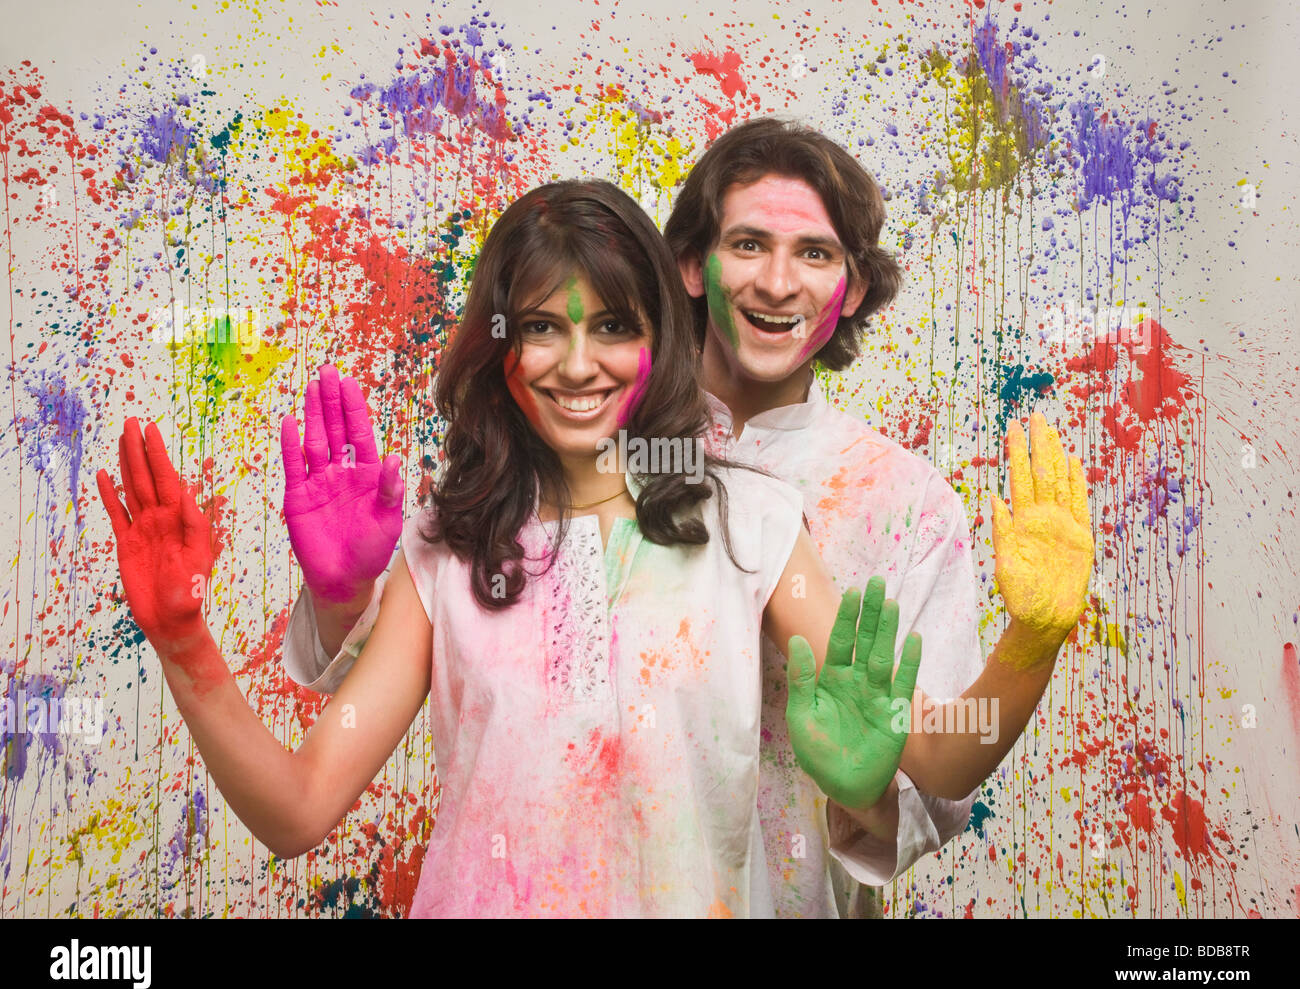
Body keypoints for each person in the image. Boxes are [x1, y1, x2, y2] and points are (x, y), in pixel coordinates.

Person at [286, 118, 1095, 918]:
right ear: (689, 267)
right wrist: (339, 595)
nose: (778, 283)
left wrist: (1028, 645)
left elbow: (938, 767)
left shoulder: (905, 503)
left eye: (815, 254)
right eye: (747, 244)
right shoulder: (586, 432)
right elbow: (440, 649)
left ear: (850, 286)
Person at [96, 179, 925, 917]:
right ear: (500, 348)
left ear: (659, 340)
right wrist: (183, 643)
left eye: (611, 326)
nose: (576, 364)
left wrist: (870, 792)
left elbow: (875, 776)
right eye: (538, 327)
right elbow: (300, 808)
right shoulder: (444, 550)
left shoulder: (754, 524)